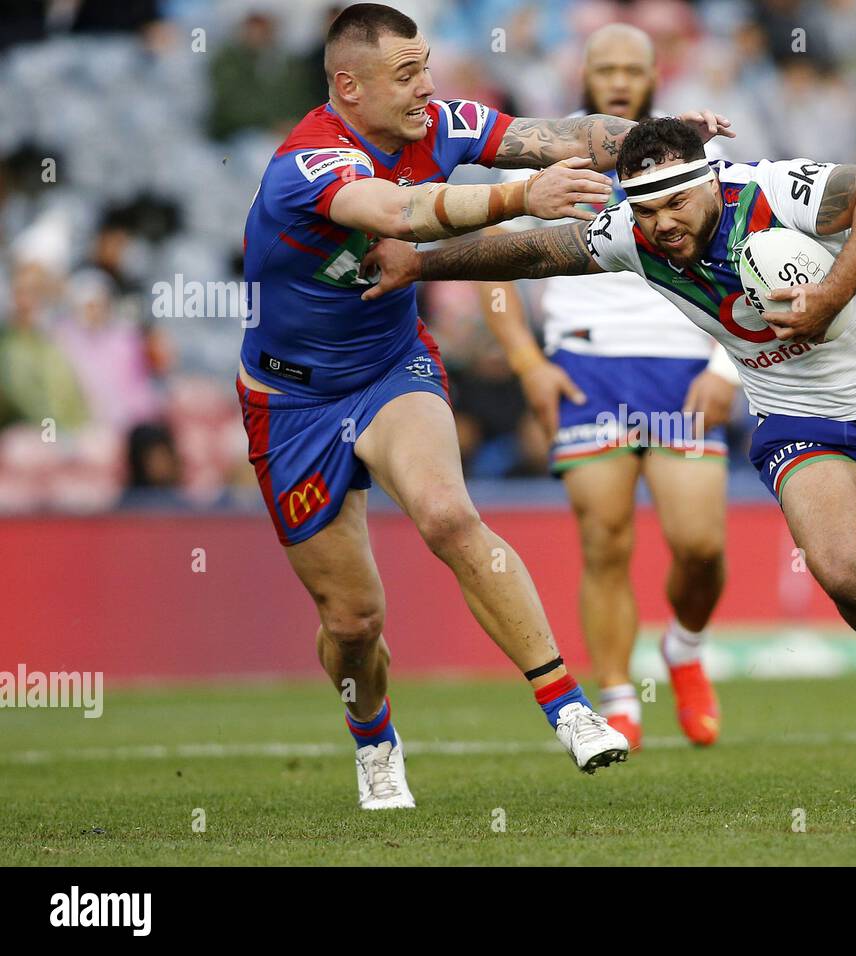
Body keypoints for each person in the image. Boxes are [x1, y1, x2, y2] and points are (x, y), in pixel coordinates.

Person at [364, 118, 856, 800]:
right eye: (646, 208)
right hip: (801, 420)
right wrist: (420, 263)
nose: (662, 221)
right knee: (843, 569)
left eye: (676, 200)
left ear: (709, 180)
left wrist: (829, 295)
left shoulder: (773, 191)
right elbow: (533, 253)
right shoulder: (634, 236)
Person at [235, 4, 733, 809]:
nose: (427, 86)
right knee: (355, 624)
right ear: (348, 86)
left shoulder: (441, 119)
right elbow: (399, 214)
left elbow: (563, 133)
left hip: (389, 368)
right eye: (407, 75)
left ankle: (570, 708)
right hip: (289, 400)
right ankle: (375, 745)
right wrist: (519, 199)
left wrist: (661, 145)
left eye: (427, 66)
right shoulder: (307, 164)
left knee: (447, 514)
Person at [478, 24, 737, 751]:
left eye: (633, 68)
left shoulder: (698, 155)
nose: (619, 80)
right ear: (584, 74)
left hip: (682, 367)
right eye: (606, 68)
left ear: (657, 72)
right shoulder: (545, 156)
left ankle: (684, 649)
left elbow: (744, 257)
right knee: (604, 540)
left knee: (698, 545)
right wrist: (528, 363)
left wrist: (726, 368)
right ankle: (619, 696)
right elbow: (491, 269)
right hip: (587, 368)